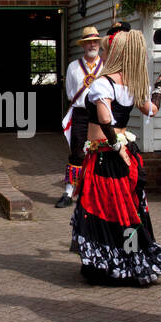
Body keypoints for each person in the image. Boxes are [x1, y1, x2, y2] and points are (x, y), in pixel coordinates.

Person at [70, 25, 161, 285]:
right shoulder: (130, 84)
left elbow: (106, 119)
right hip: (120, 154)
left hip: (108, 156)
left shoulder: (103, 84)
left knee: (106, 210)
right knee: (127, 210)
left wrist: (117, 147)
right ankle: (127, 260)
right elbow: (151, 109)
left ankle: (111, 264)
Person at [57, 27, 104, 208]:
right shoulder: (73, 66)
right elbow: (70, 93)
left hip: (100, 114)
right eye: (88, 42)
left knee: (100, 153)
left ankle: (95, 194)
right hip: (81, 113)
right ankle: (68, 192)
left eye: (95, 41)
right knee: (76, 152)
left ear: (99, 44)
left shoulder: (106, 66)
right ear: (83, 45)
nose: (92, 45)